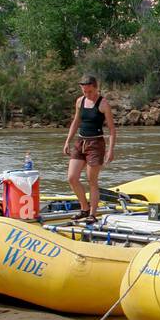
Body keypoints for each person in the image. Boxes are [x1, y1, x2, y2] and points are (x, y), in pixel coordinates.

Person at [63, 74, 116, 219]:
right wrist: (68, 140)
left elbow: (111, 129)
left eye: (90, 91)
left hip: (96, 144)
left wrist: (110, 150)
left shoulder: (103, 103)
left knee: (91, 180)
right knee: (72, 177)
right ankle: (84, 208)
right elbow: (76, 122)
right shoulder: (80, 101)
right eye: (84, 91)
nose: (87, 94)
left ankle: (92, 213)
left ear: (96, 88)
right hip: (80, 142)